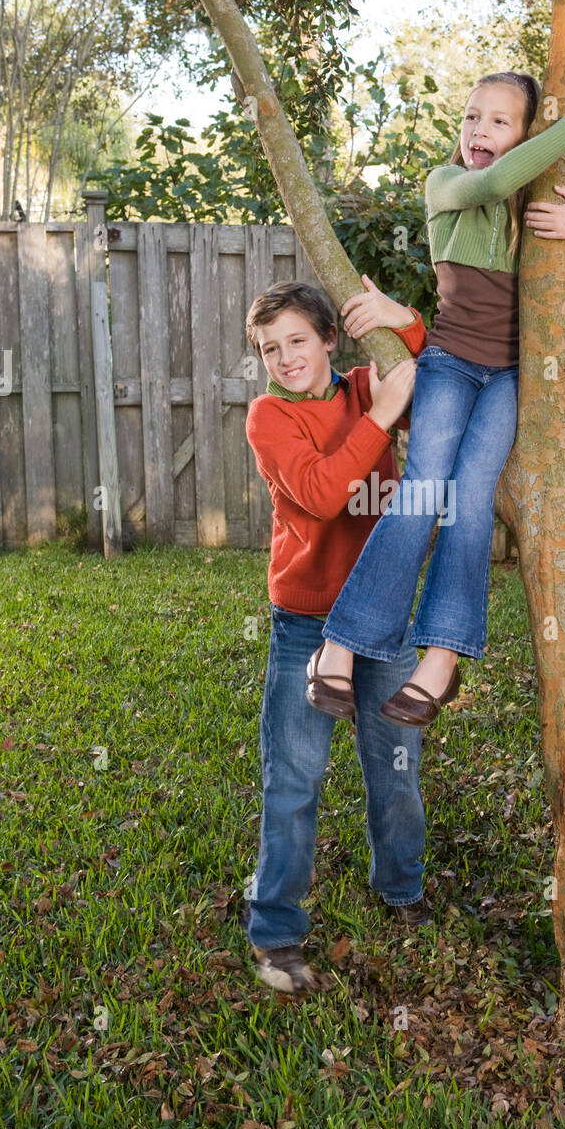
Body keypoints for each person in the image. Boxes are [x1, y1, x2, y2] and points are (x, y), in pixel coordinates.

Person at [308, 68, 565, 728]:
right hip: (451, 366)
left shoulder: (539, 202)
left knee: (470, 503)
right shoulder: (446, 183)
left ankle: (442, 662)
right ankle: (339, 646)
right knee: (424, 490)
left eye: (499, 121)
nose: (479, 130)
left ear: (525, 134)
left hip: (513, 379)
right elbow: (489, 181)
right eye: (470, 116)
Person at [244, 280, 432, 994]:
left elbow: (431, 364)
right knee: (294, 776)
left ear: (330, 338)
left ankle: (402, 887)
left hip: (382, 615)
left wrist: (400, 319)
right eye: (270, 348)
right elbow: (322, 494)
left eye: (298, 340)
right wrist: (381, 418)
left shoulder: (365, 385)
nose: (286, 358)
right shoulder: (269, 417)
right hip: (309, 622)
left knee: (397, 768)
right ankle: (277, 931)